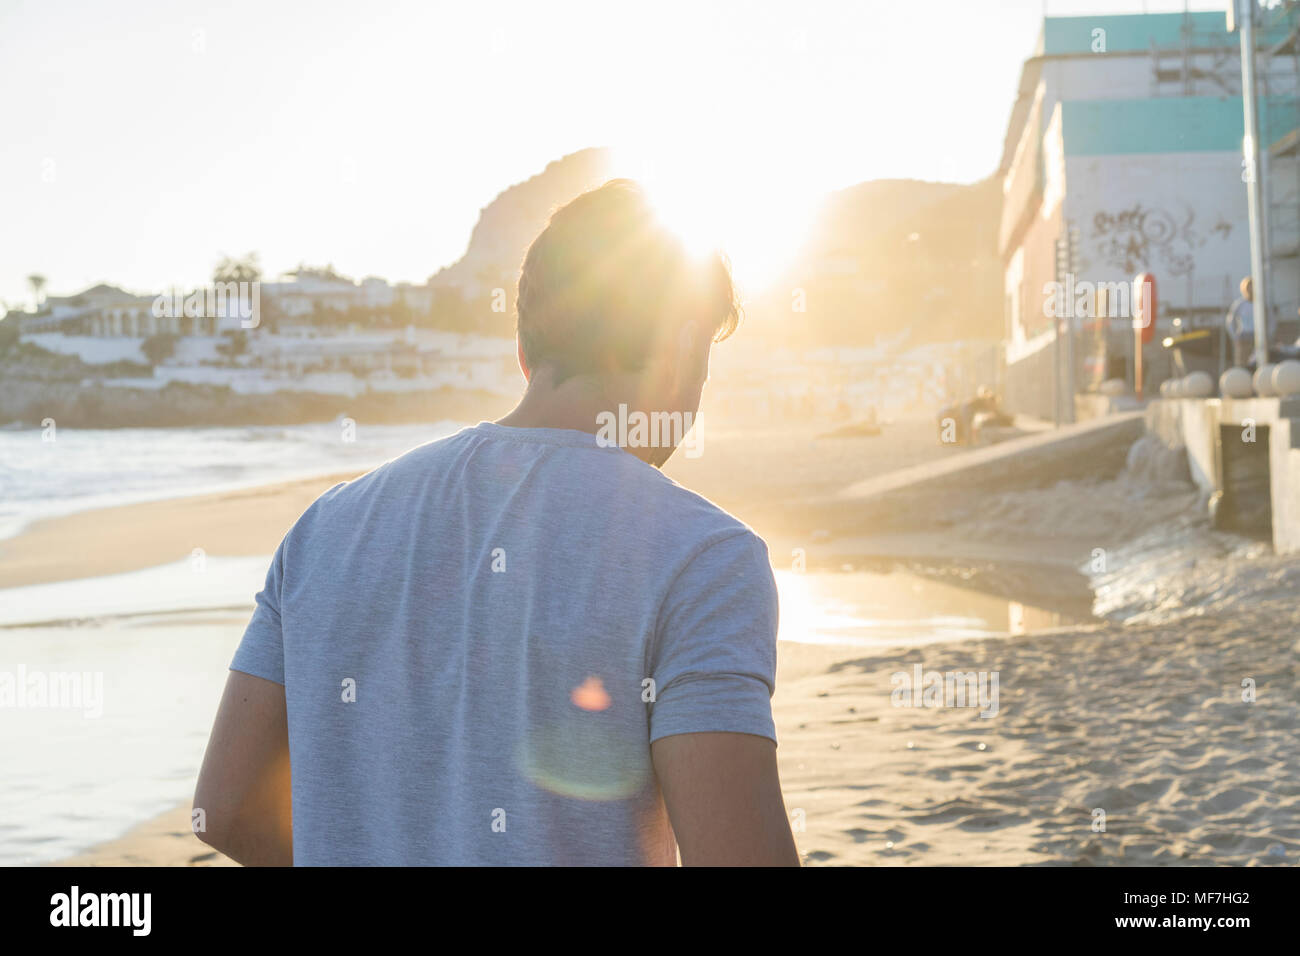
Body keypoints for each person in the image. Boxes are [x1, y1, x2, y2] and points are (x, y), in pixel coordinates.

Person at [193, 180, 800, 867]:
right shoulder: (702, 557)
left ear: (524, 348)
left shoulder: (325, 530)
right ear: (685, 347)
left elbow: (226, 808)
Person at [1226, 277, 1262, 369]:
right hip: (1244, 337)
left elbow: (1270, 320)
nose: (1251, 289)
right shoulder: (1240, 304)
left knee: (1259, 362)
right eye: (1249, 287)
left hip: (1259, 337)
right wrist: (1235, 336)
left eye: (1253, 287)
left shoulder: (1261, 303)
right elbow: (1230, 321)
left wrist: (1268, 334)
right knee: (1242, 363)